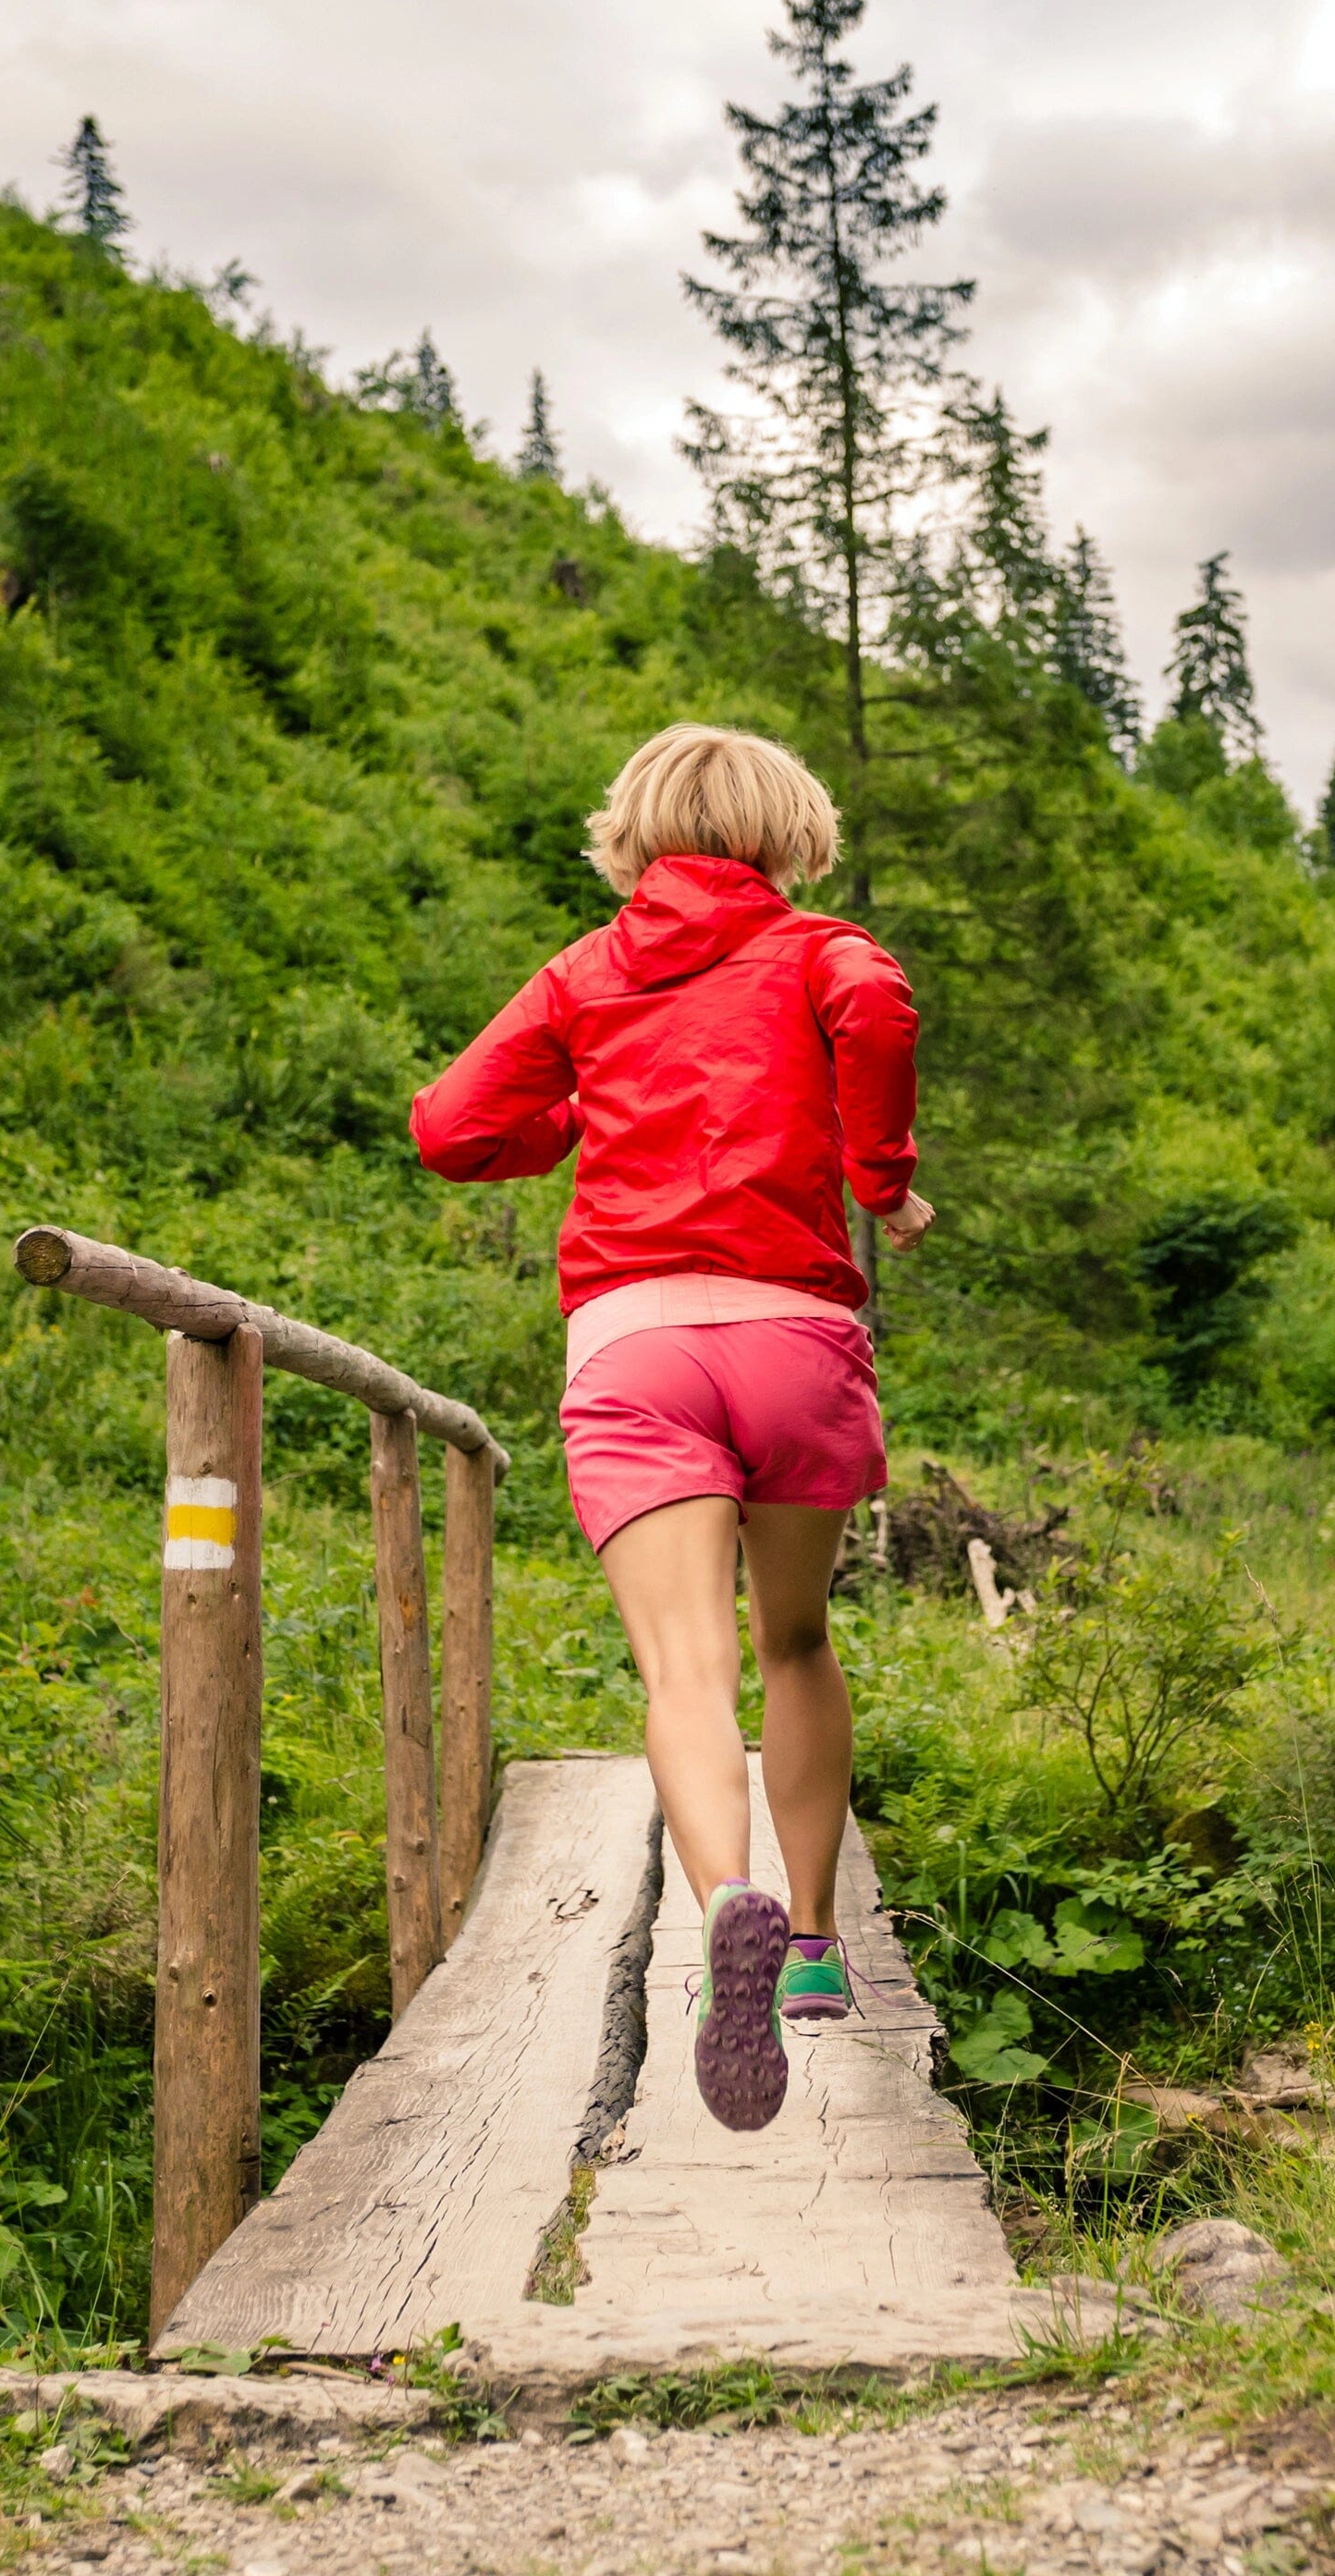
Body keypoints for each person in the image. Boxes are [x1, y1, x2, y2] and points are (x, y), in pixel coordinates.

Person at [410, 724, 927, 2133]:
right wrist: (877, 1172)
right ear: (789, 832)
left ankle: (727, 1905)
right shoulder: (820, 949)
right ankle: (813, 1949)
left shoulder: (583, 973)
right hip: (792, 1336)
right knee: (795, 1640)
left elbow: (451, 1125)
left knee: (684, 1671)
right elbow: (879, 1013)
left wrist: (574, 1110)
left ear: (632, 834)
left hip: (635, 1346)